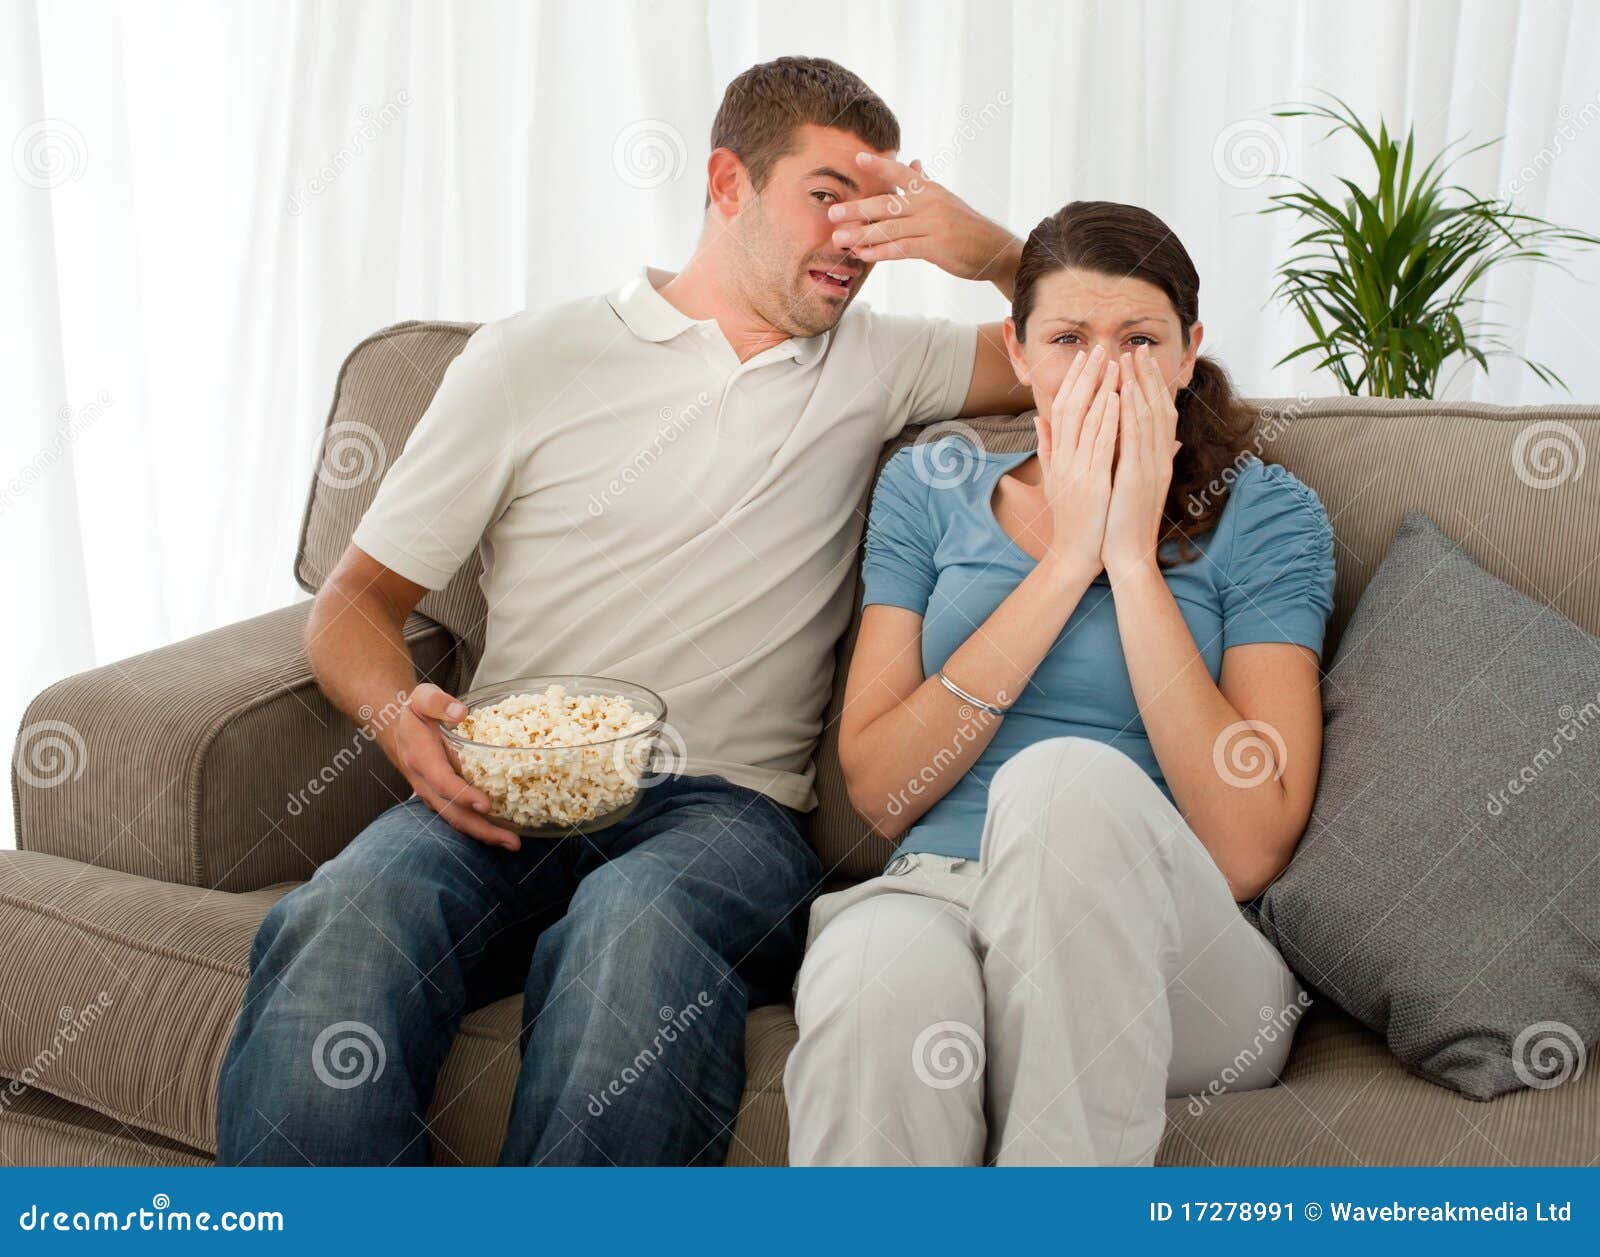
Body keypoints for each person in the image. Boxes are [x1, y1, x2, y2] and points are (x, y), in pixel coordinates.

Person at [214, 56, 1033, 1167]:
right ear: (729, 184)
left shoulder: (882, 362)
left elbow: (1107, 338)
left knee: (632, 930)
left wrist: (992, 255)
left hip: (725, 814)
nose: (854, 237)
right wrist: (396, 716)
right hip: (510, 786)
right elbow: (356, 601)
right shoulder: (530, 357)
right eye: (827, 196)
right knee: (342, 920)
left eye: (878, 208)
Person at [784, 200, 1337, 1166]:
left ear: (1188, 353)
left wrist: (1129, 557)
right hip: (937, 895)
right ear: (1019, 350)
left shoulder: (1265, 513)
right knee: (874, 974)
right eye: (1068, 339)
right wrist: (1067, 559)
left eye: (1141, 340)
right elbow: (883, 791)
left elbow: (1248, 847)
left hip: (1171, 946)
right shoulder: (927, 490)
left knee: (1061, 781)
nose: (1104, 370)